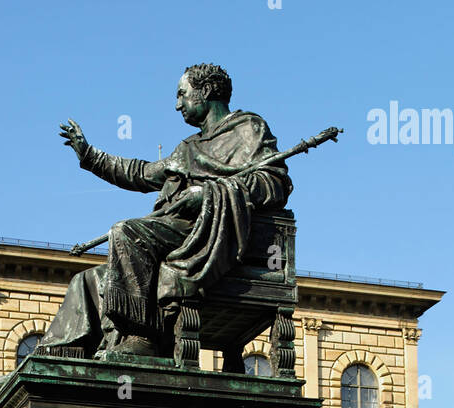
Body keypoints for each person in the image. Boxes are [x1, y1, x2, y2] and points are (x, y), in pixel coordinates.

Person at [43, 64, 292, 358]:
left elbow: (274, 183)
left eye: (182, 94)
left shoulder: (248, 129)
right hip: (175, 236)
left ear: (207, 91)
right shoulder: (187, 148)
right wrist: (90, 155)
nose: (177, 105)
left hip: (211, 232)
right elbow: (141, 173)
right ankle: (52, 360)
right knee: (88, 280)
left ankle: (143, 337)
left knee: (126, 232)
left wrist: (206, 194)